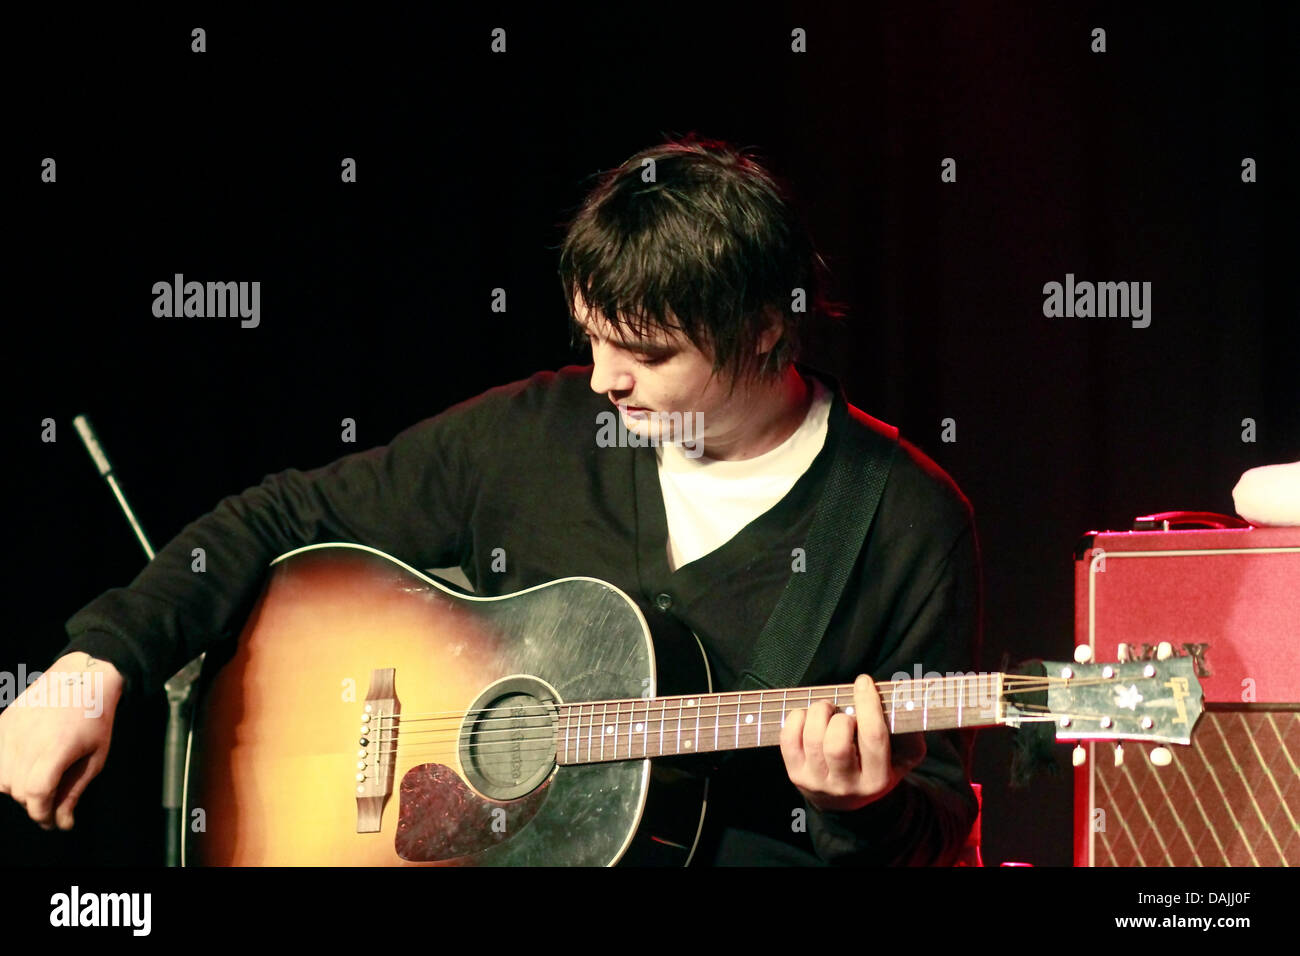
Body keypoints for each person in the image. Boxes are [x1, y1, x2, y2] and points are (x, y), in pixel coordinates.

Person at [0, 134, 981, 865]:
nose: (603, 380)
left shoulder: (902, 517)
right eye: (592, 338)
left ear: (767, 329)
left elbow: (937, 828)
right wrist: (97, 663)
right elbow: (273, 518)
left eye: (644, 354)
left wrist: (864, 803)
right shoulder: (534, 429)